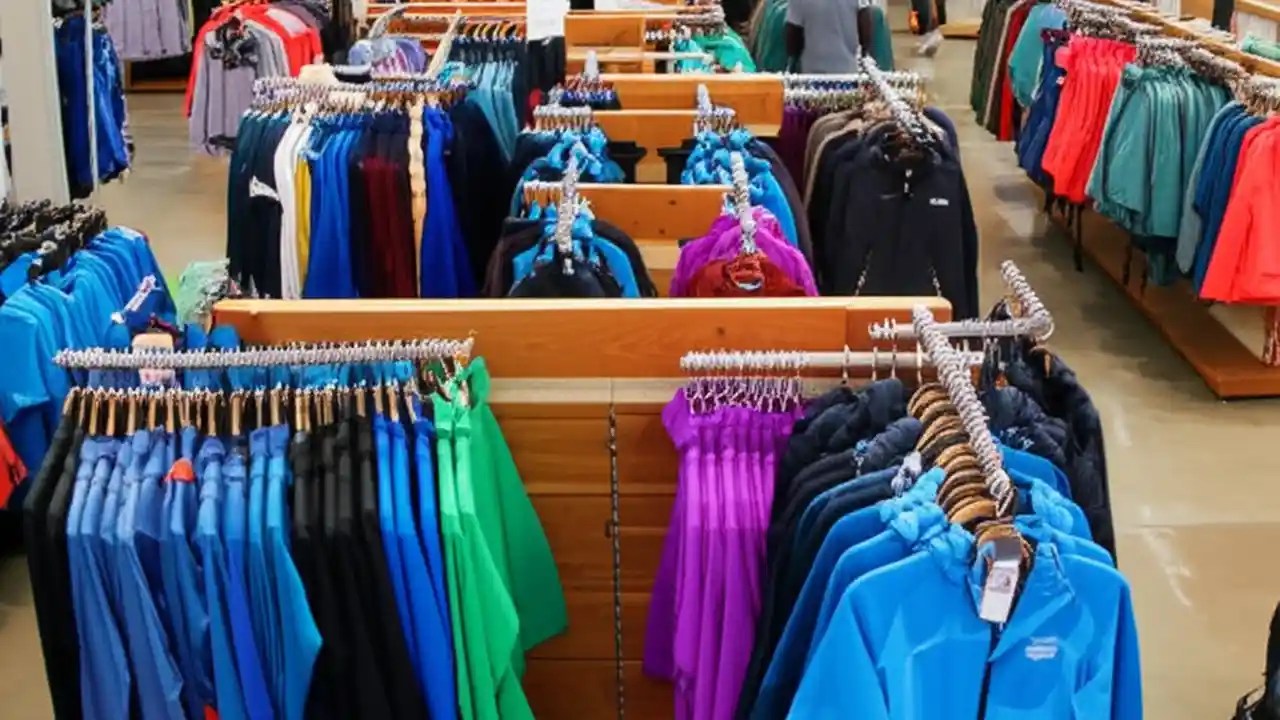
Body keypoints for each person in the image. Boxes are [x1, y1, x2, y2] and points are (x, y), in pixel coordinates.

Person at [785, 0, 873, 74]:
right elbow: (865, 25)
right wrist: (864, 56)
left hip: (812, 75)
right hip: (848, 74)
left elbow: (792, 36)